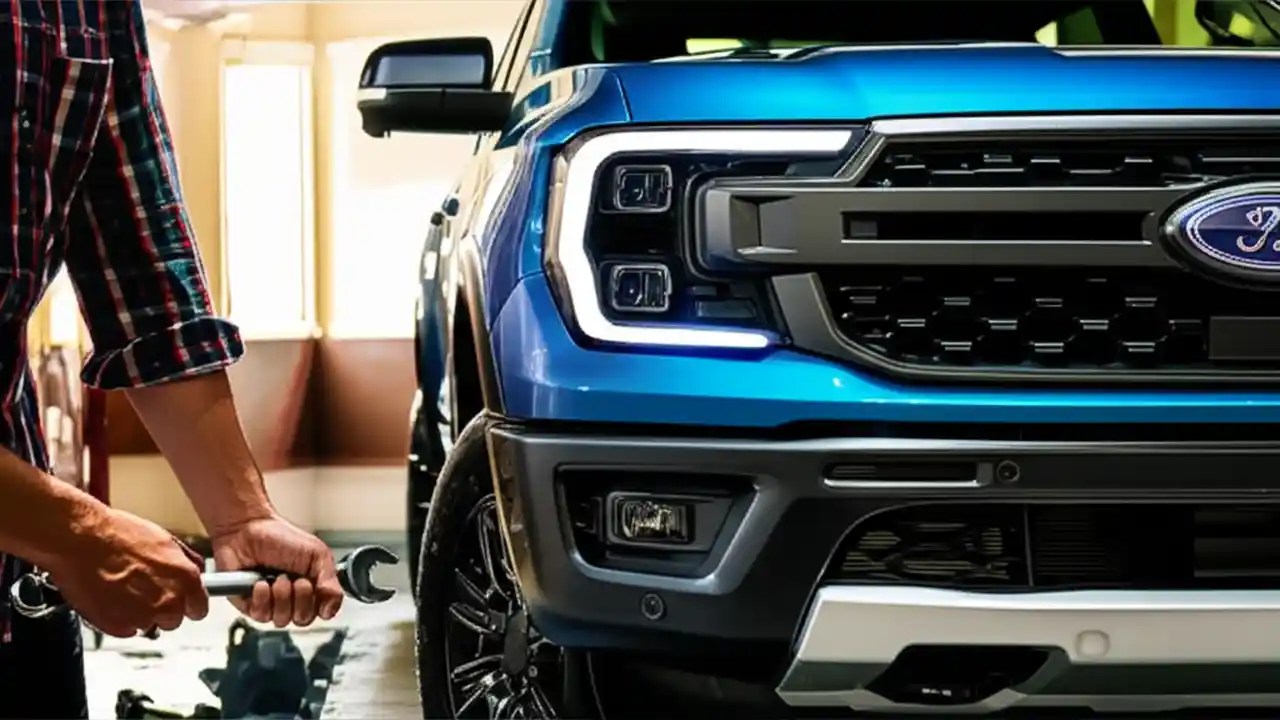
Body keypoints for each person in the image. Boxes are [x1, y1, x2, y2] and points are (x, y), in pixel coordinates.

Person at [0, 1, 343, 717]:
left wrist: (238, 517)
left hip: (15, 588)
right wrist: (77, 533)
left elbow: (146, 274)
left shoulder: (88, 10)